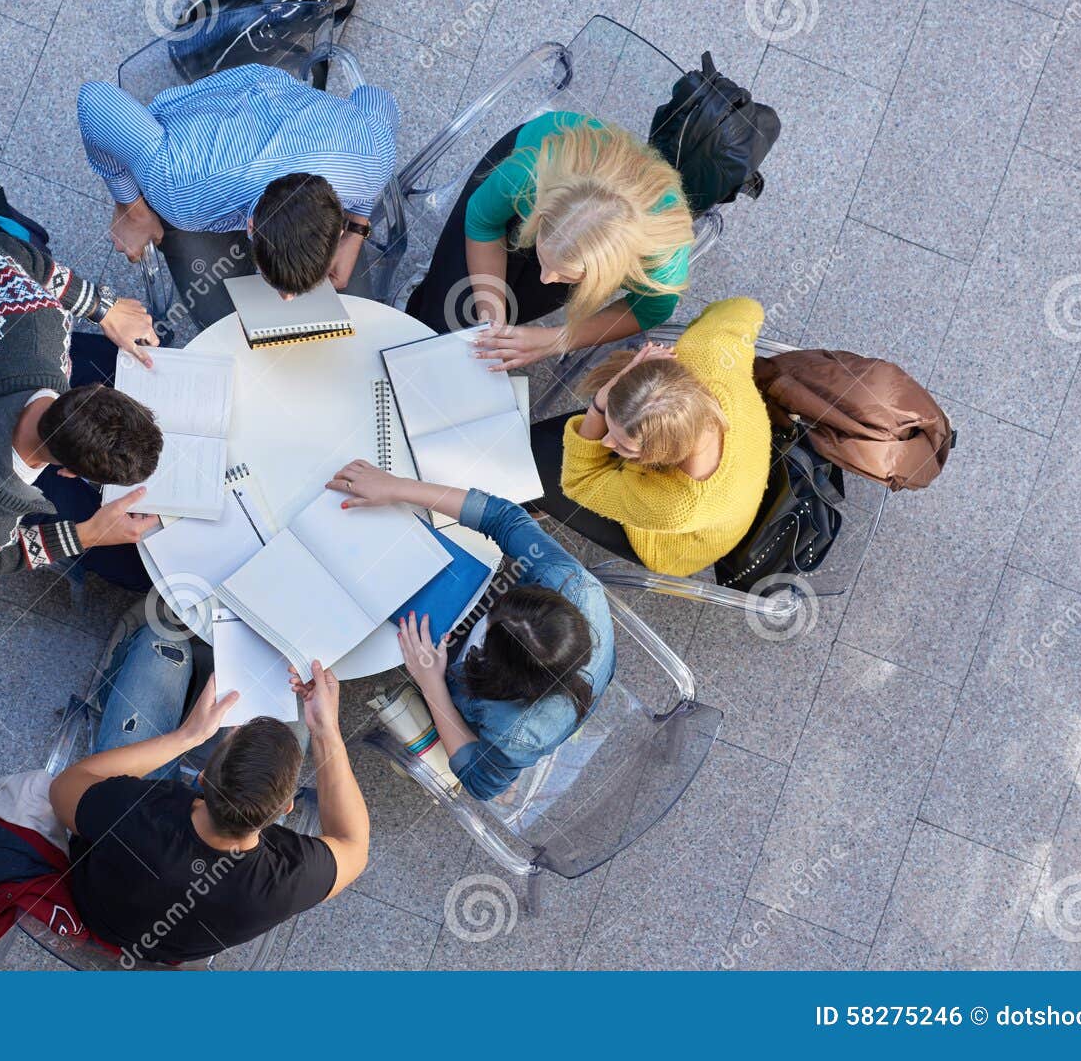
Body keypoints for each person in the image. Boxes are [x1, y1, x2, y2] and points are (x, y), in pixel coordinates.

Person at [325, 461, 615, 801]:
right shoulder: (574, 585)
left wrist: (431, 685)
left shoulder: (514, 735)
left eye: (489, 628)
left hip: (471, 688)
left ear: (497, 665)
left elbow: (481, 784)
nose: (488, 615)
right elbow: (504, 518)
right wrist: (398, 487)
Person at [0, 228, 166, 589]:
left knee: (108, 354)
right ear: (70, 473)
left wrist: (99, 307)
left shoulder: (39, 321)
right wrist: (86, 535)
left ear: (95, 388)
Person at [77, 63, 400, 327]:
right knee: (219, 321)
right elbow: (95, 101)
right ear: (250, 227)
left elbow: (378, 98)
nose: (287, 299)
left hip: (281, 111)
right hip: (209, 123)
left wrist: (358, 229)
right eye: (278, 285)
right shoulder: (179, 185)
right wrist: (131, 207)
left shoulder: (372, 157)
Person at [403, 111, 693, 372]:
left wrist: (555, 340)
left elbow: (651, 309)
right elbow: (483, 223)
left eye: (564, 275)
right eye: (544, 260)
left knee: (513, 307)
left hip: (572, 236)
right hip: (531, 173)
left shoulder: (663, 255)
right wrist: (494, 321)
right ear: (539, 216)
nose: (546, 278)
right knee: (444, 316)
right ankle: (424, 301)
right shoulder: (527, 173)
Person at [527, 297, 772, 577]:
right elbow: (747, 307)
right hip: (741, 471)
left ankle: (530, 503)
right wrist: (614, 393)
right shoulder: (706, 352)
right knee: (542, 446)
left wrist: (598, 407)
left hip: (671, 542)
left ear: (662, 458)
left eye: (623, 447)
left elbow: (578, 482)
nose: (607, 443)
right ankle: (537, 499)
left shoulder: (678, 506)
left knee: (531, 464)